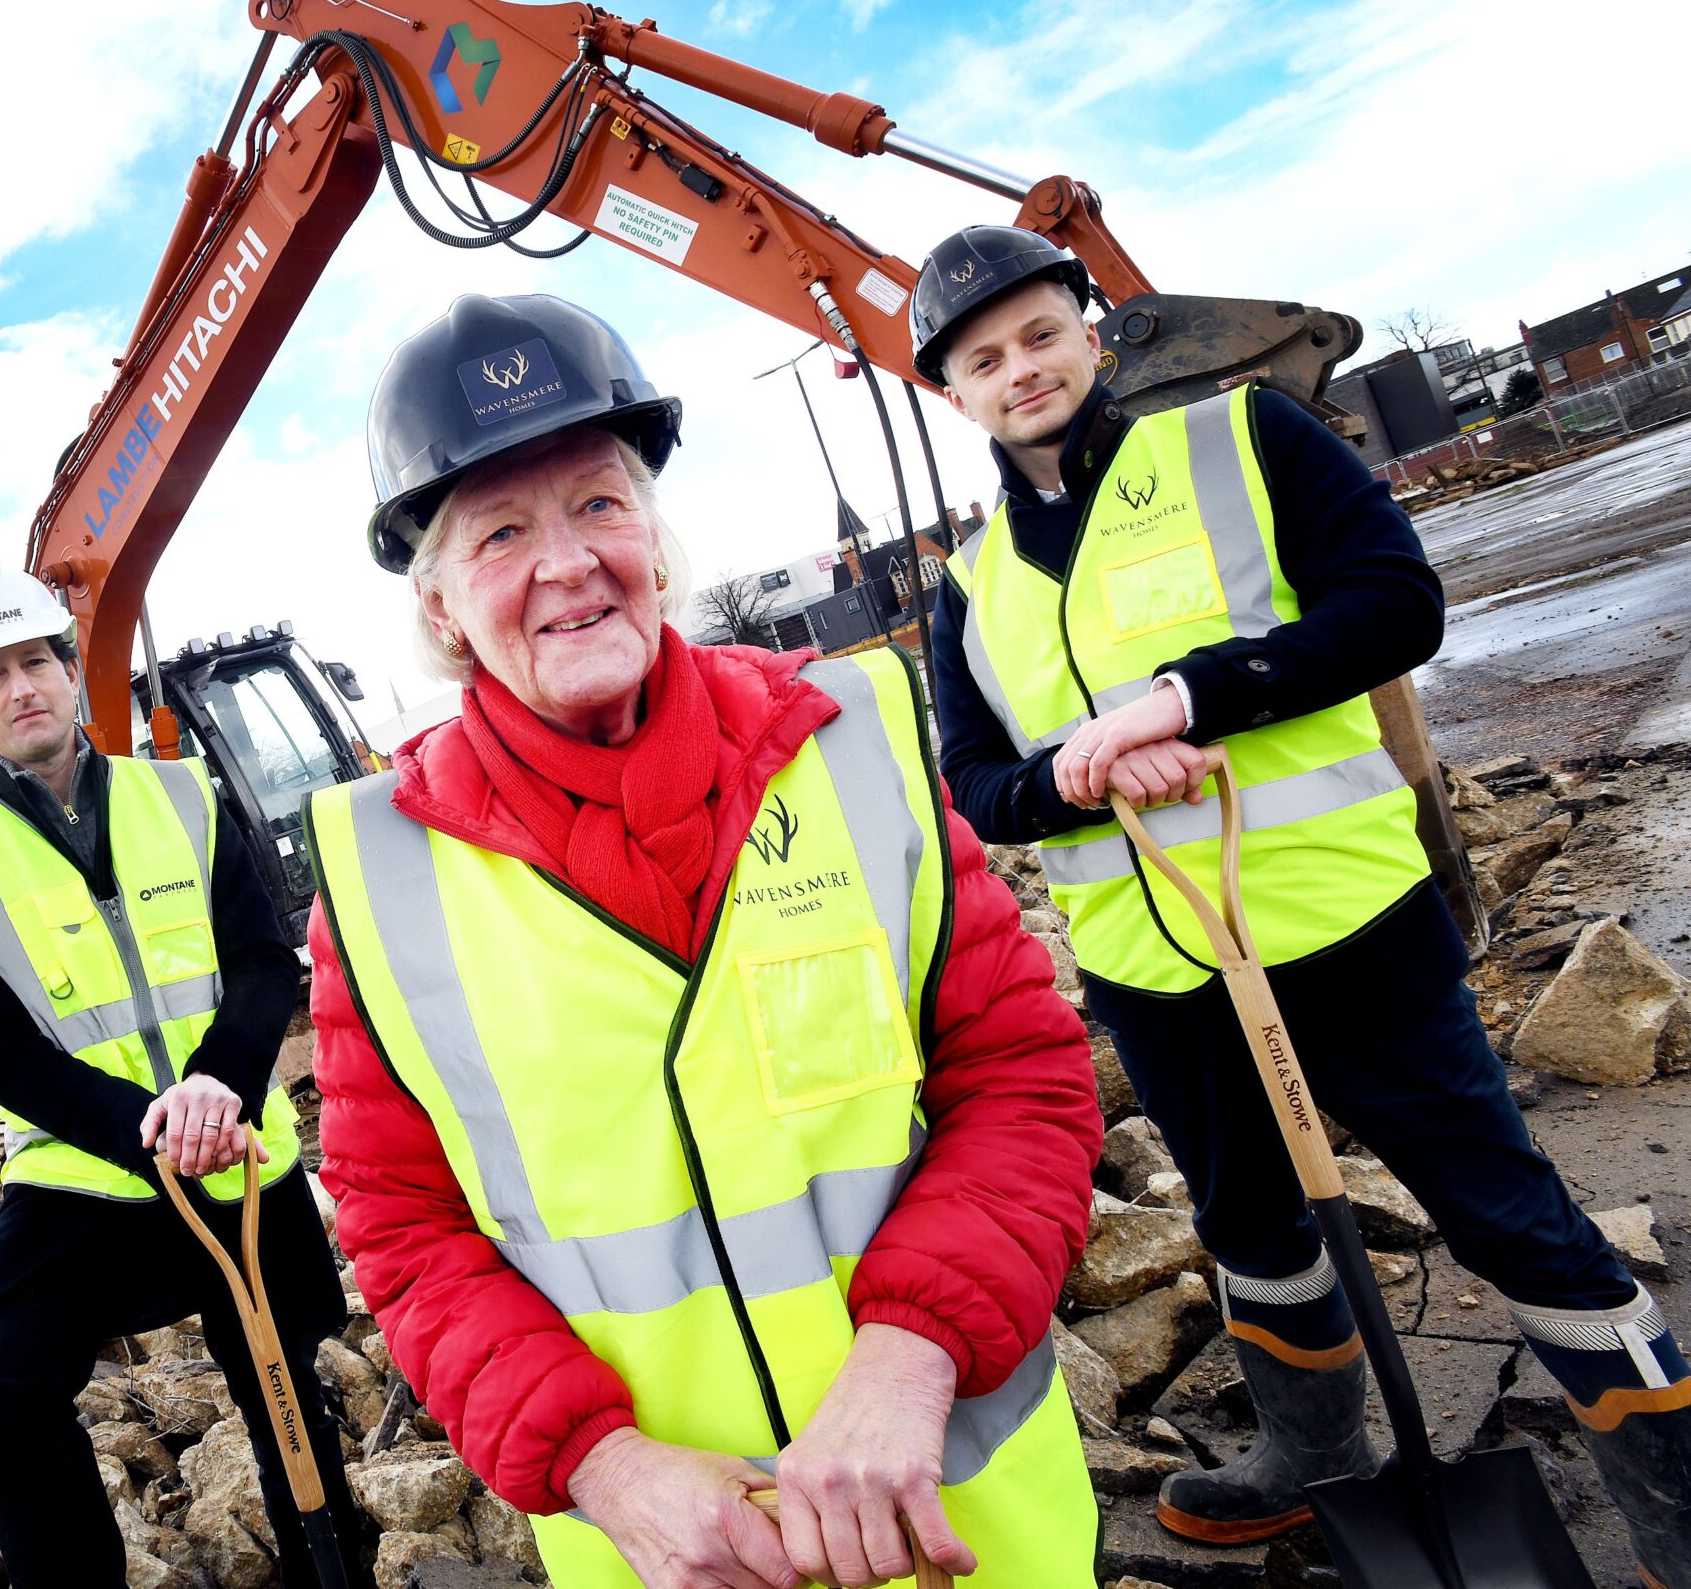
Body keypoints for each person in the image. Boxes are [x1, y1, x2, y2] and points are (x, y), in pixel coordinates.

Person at [914, 224, 1691, 1578]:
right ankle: (1316, 1451)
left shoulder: (1239, 439)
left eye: (1041, 333)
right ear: (952, 393)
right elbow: (978, 782)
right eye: (984, 358)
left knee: (1502, 1207)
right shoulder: (969, 585)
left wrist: (1192, 695)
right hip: (1151, 968)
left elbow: (1395, 604)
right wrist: (1084, 774)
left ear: (1091, 333)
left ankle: (1675, 1503)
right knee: (1247, 1223)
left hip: (1342, 924)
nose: (1020, 369)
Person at [305, 294, 1104, 1589]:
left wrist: (912, 1356)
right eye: (501, 531)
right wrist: (602, 1464)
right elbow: (405, 1224)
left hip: (961, 1512)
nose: (567, 561)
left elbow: (1017, 1071)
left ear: (657, 540)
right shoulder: (379, 871)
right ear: (442, 604)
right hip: (668, 1552)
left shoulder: (850, 739)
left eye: (600, 505)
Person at [0, 569, 373, 1589]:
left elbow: (261, 963)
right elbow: (1, 1048)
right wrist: (147, 1125)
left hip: (240, 1157)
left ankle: (334, 1574)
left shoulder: (183, 794)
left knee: (285, 1384)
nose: (20, 686)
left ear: (72, 673)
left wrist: (219, 1089)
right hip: (93, 1178)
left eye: (35, 660)